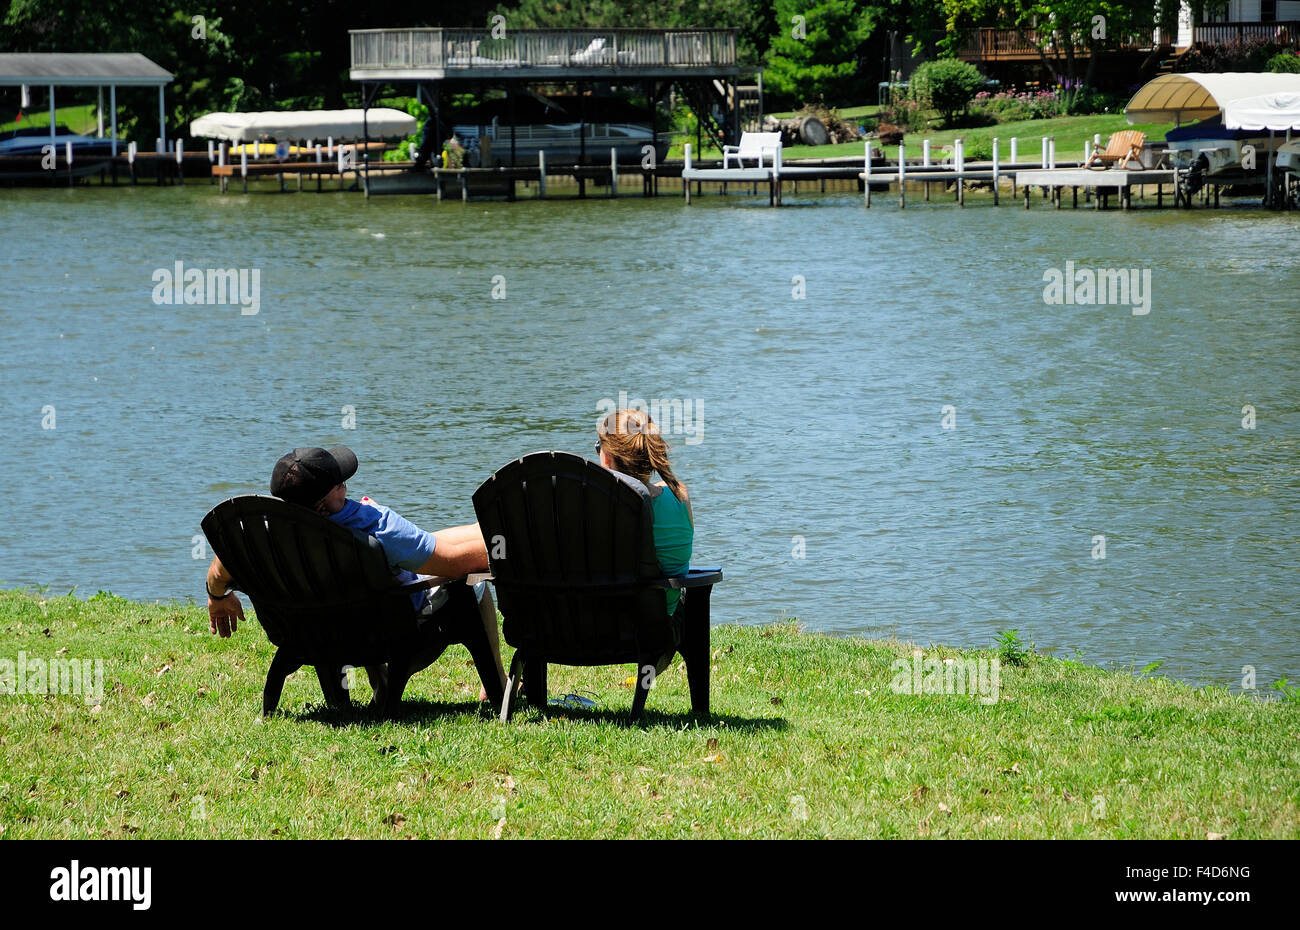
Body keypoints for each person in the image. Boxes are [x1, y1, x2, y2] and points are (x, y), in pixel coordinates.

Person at [203, 445, 505, 701]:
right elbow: (453, 562)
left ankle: (380, 684)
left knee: (417, 548)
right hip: (386, 630)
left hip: (311, 629)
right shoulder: (374, 525)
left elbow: (220, 569)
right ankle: (498, 683)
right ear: (322, 506)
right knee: (474, 587)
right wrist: (510, 548)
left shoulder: (260, 533)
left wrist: (216, 597)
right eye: (340, 486)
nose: (346, 488)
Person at [593, 408, 694, 629]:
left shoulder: (597, 505)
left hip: (595, 623)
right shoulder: (679, 497)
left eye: (598, 448)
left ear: (608, 458)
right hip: (657, 627)